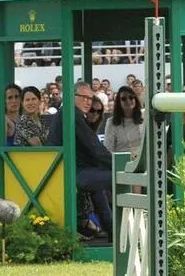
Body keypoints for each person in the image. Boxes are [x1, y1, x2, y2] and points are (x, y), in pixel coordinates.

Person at [47, 82, 113, 240]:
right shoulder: (72, 115)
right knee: (119, 176)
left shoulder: (69, 114)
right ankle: (122, 229)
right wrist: (119, 164)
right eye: (84, 97)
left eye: (90, 98)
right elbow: (94, 147)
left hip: (66, 170)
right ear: (72, 97)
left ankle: (112, 229)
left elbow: (91, 149)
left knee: (99, 183)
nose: (88, 102)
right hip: (66, 174)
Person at [104, 85, 145, 161]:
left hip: (143, 162)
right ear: (119, 102)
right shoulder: (111, 122)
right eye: (123, 99)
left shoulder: (144, 117)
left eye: (131, 97)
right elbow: (108, 150)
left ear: (135, 99)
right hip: (122, 164)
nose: (128, 101)